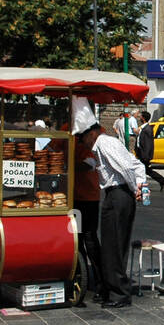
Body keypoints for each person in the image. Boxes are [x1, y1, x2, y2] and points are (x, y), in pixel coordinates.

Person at [76, 102, 147, 309]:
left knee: (114, 246)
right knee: (111, 244)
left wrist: (134, 188)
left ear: (91, 134)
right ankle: (111, 289)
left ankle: (119, 292)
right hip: (116, 195)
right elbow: (134, 165)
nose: (83, 143)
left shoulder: (105, 144)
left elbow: (126, 168)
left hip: (119, 195)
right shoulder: (102, 146)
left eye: (82, 139)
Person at [71, 100, 102, 306]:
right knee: (76, 238)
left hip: (89, 197)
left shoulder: (96, 135)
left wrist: (71, 166)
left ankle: (99, 281)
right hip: (73, 196)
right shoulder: (69, 131)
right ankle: (80, 276)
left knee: (90, 238)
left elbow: (91, 163)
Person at [134, 110, 164, 191]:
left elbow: (148, 144)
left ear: (143, 118)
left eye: (140, 116)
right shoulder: (143, 128)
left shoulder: (147, 129)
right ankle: (161, 180)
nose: (139, 118)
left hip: (144, 155)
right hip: (141, 153)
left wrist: (146, 156)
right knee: (146, 170)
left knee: (140, 170)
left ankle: (140, 186)